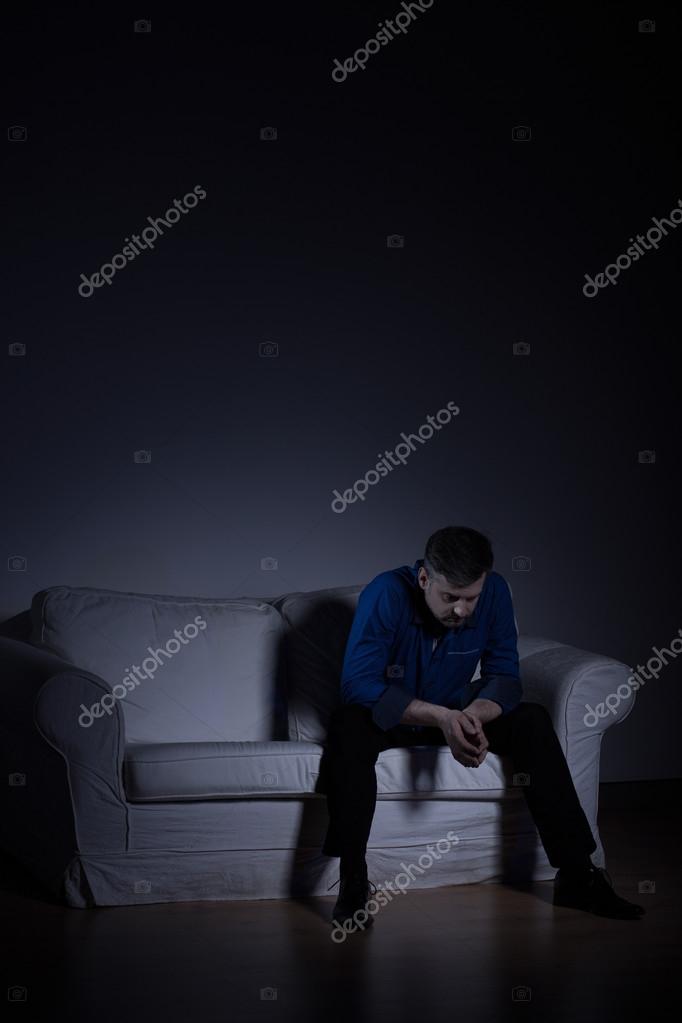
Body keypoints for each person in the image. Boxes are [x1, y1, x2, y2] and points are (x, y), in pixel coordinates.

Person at [320, 526, 644, 927]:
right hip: (398, 715)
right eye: (450, 598)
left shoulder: (495, 592)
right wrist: (442, 718)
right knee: (348, 725)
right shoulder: (385, 592)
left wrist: (472, 716)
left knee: (531, 719)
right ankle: (354, 879)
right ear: (424, 578)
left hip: (458, 708)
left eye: (470, 598)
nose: (461, 610)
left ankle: (578, 874)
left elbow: (504, 675)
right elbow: (358, 684)